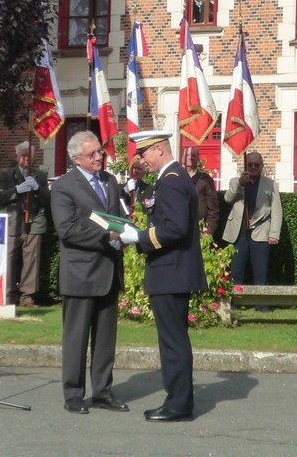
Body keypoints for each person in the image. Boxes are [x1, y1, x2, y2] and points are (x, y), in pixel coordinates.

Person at [119, 131, 208, 423]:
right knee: (174, 339)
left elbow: (174, 228)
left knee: (172, 342)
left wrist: (140, 238)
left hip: (170, 271)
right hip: (173, 271)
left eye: (144, 154)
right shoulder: (173, 178)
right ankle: (178, 398)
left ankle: (179, 403)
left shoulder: (171, 182)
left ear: (159, 149)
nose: (141, 160)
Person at [50, 131, 127, 415]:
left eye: (99, 152)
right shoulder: (63, 187)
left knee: (106, 339)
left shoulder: (110, 181)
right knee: (76, 338)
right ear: (75, 158)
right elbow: (67, 230)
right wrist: (105, 237)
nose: (99, 157)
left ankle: (103, 392)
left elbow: (121, 217)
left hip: (108, 271)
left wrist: (126, 231)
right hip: (81, 273)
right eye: (92, 154)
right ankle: (73, 394)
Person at [0, 140, 51, 307]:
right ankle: (8, 294)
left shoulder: (40, 176)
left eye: (29, 156)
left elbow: (48, 200)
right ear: (17, 156)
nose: (26, 159)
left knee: (31, 260)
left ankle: (27, 296)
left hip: (34, 221)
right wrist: (17, 190)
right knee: (9, 259)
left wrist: (37, 189)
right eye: (23, 156)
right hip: (13, 222)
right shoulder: (6, 175)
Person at [222, 151, 281, 309]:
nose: (253, 167)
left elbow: (276, 211)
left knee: (261, 271)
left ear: (261, 166)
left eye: (256, 165)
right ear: (246, 166)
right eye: (250, 164)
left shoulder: (270, 184)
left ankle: (261, 304)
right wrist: (241, 183)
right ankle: (236, 303)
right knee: (236, 270)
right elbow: (227, 199)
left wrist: (274, 234)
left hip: (261, 231)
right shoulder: (236, 181)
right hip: (239, 232)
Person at [181, 145, 219, 236]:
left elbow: (213, 210)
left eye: (193, 155)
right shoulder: (176, 178)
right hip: (179, 230)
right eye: (187, 155)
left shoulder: (205, 180)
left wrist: (209, 232)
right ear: (182, 158)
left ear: (198, 159)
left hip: (199, 231)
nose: (190, 158)